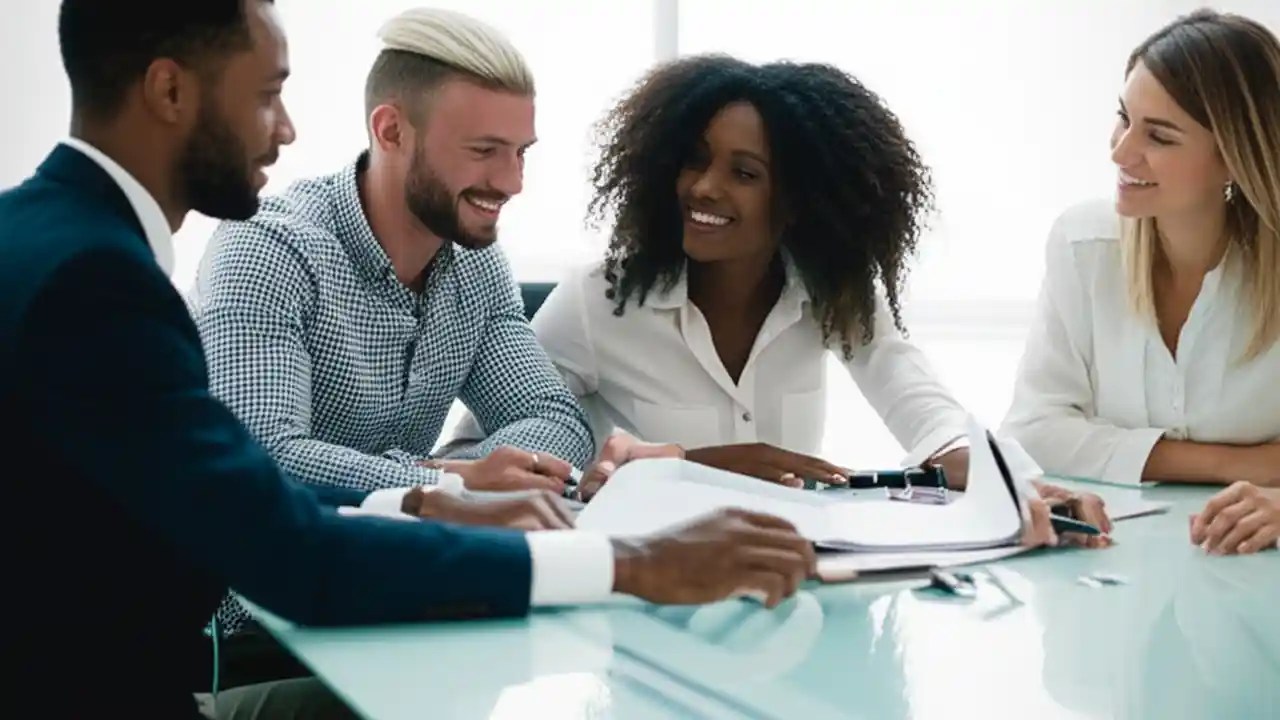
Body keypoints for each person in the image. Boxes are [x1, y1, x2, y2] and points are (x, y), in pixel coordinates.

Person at [1, 3, 827, 717]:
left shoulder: (43, 239)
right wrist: (623, 559)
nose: (286, 129)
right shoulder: (109, 280)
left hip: (364, 615)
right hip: (228, 652)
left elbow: (550, 422)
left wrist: (443, 491)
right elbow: (278, 523)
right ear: (169, 91)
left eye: (521, 151)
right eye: (266, 96)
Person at [449, 54, 1111, 536]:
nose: (704, 187)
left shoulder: (832, 293)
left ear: (798, 201)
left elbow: (929, 416)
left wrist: (1023, 486)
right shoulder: (599, 302)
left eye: (743, 173)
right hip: (648, 595)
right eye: (694, 160)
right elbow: (475, 467)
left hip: (792, 592)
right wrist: (683, 468)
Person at [185, 5, 608, 656]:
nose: (512, 182)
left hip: (401, 604)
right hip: (253, 634)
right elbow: (262, 456)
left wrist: (463, 481)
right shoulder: (266, 249)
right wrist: (448, 484)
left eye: (520, 153)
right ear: (391, 131)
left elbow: (553, 419)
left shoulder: (476, 262)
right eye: (484, 151)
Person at [999, 9, 1279, 512]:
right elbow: (1032, 434)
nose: (1121, 152)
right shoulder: (1083, 246)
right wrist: (1238, 463)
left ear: (1235, 157)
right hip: (1114, 558)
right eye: (1124, 118)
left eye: (1160, 136)